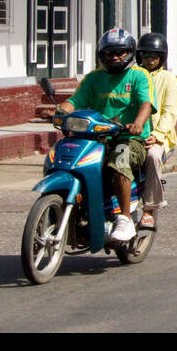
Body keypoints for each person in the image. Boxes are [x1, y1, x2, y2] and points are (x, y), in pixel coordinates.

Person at [56, 28, 155, 243]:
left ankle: (125, 218)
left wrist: (138, 124)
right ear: (102, 54)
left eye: (121, 52)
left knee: (120, 159)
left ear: (130, 53)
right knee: (66, 159)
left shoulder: (139, 75)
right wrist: (60, 111)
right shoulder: (93, 78)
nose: (115, 57)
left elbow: (146, 104)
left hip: (129, 139)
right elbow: (74, 101)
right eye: (110, 53)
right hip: (96, 137)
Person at [136, 31, 177, 229]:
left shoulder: (168, 79)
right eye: (146, 55)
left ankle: (149, 209)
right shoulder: (133, 76)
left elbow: (170, 112)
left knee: (152, 157)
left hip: (159, 137)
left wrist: (157, 135)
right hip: (132, 133)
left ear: (162, 58)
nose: (150, 59)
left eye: (154, 56)